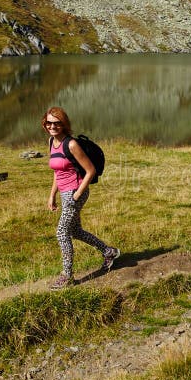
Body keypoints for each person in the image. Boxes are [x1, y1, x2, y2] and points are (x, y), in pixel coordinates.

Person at [43, 107, 119, 289]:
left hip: (76, 192)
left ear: (64, 124)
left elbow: (90, 171)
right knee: (75, 231)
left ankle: (67, 276)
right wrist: (52, 195)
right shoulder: (51, 142)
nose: (52, 126)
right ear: (45, 124)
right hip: (64, 193)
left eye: (57, 123)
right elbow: (57, 172)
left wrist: (76, 194)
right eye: (49, 123)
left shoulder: (71, 145)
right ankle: (109, 252)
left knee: (62, 233)